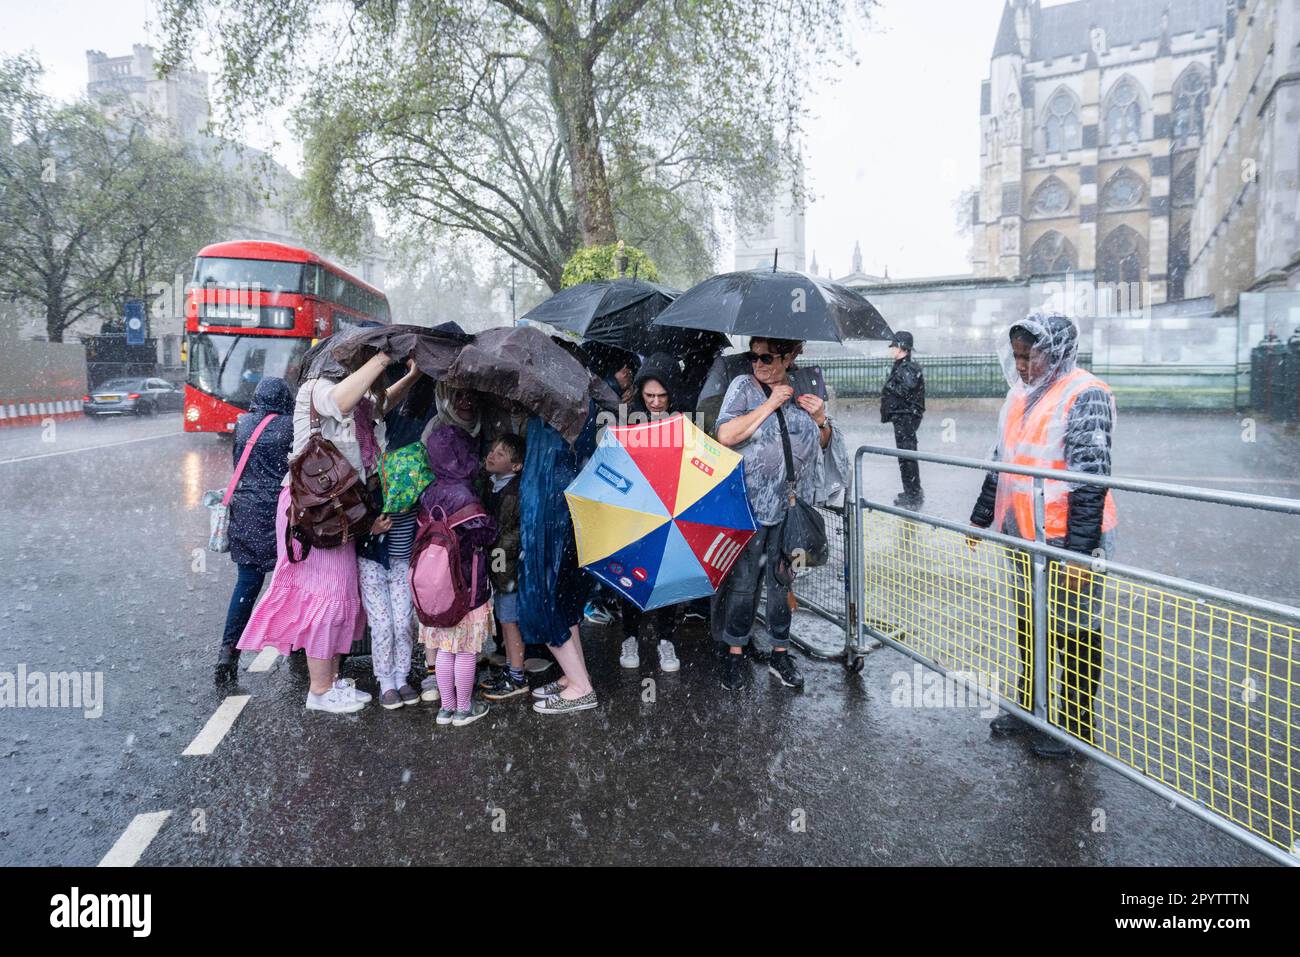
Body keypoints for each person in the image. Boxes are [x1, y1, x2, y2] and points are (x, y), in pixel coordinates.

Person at [967, 313, 1117, 759]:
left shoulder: (1084, 394)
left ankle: (1074, 727)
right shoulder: (1019, 395)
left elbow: (1091, 481)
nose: (1021, 366)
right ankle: (1032, 707)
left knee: (1073, 632)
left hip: (1068, 539)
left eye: (1029, 356)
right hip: (1023, 535)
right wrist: (980, 518)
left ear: (1057, 354)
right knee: (1030, 624)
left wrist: (1080, 552)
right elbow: (1002, 461)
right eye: (1015, 357)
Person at [237, 349, 419, 714]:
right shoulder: (316, 388)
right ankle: (319, 690)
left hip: (341, 511)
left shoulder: (361, 397)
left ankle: (331, 683)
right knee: (327, 596)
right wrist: (382, 358)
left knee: (341, 597)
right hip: (314, 511)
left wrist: (413, 375)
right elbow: (339, 401)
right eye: (363, 359)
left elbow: (378, 403)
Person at [715, 336, 838, 692]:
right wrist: (770, 404)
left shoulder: (806, 387)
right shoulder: (743, 387)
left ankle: (779, 653)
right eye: (753, 357)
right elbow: (725, 435)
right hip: (748, 508)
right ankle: (734, 651)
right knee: (743, 584)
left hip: (789, 507)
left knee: (783, 583)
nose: (758, 364)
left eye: (767, 357)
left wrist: (820, 419)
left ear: (790, 356)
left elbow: (824, 446)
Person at [214, 377, 295, 685]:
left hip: (245, 510)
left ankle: (227, 651)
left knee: (247, 583)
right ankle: (298, 645)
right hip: (278, 510)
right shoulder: (289, 426)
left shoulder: (243, 424)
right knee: (289, 581)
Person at [520, 411, 601, 715]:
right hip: (564, 509)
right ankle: (576, 675)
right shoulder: (574, 398)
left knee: (546, 598)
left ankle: (581, 687)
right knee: (564, 600)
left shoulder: (556, 405)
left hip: (552, 513)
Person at [362, 369, 434, 710]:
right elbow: (354, 518)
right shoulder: (370, 476)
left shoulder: (419, 479)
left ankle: (403, 677)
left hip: (404, 560)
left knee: (404, 622)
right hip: (373, 562)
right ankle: (385, 681)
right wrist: (369, 529)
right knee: (382, 625)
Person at [418, 424, 499, 727]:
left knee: (442, 650)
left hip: (437, 588)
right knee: (465, 650)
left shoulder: (429, 494)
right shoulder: (466, 496)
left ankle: (446, 708)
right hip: (467, 586)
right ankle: (464, 708)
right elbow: (485, 534)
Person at [617, 353, 686, 673]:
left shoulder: (684, 421)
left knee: (668, 577)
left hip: (671, 509)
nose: (656, 402)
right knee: (631, 576)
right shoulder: (627, 421)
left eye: (662, 396)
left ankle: (665, 639)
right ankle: (629, 634)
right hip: (636, 511)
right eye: (649, 396)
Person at [478, 433, 530, 701]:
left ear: (516, 466)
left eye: (501, 454)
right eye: (493, 449)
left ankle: (517, 676)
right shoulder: (492, 484)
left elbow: (519, 531)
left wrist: (494, 542)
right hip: (498, 566)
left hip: (507, 567)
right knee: (504, 618)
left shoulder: (516, 491)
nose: (492, 455)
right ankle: (511, 670)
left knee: (510, 621)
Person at [880, 330, 926, 509]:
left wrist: (890, 386)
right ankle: (910, 490)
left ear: (902, 348)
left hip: (906, 417)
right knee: (905, 456)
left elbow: (906, 389)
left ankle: (913, 494)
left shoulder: (908, 368)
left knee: (907, 457)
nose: (891, 349)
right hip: (903, 417)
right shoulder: (902, 366)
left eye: (894, 346)